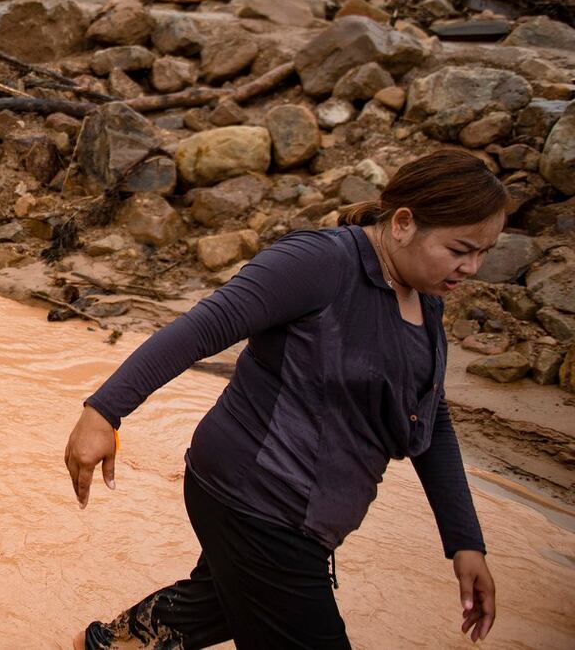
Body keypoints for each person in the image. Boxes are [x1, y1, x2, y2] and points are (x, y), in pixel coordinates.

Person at [65, 149, 502, 649]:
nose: (472, 267)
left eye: (484, 252)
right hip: (258, 500)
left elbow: (429, 417)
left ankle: (102, 646)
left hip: (302, 518)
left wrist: (464, 541)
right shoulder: (319, 262)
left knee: (217, 605)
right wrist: (103, 411)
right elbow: (204, 328)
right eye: (460, 249)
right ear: (403, 223)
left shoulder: (424, 296)